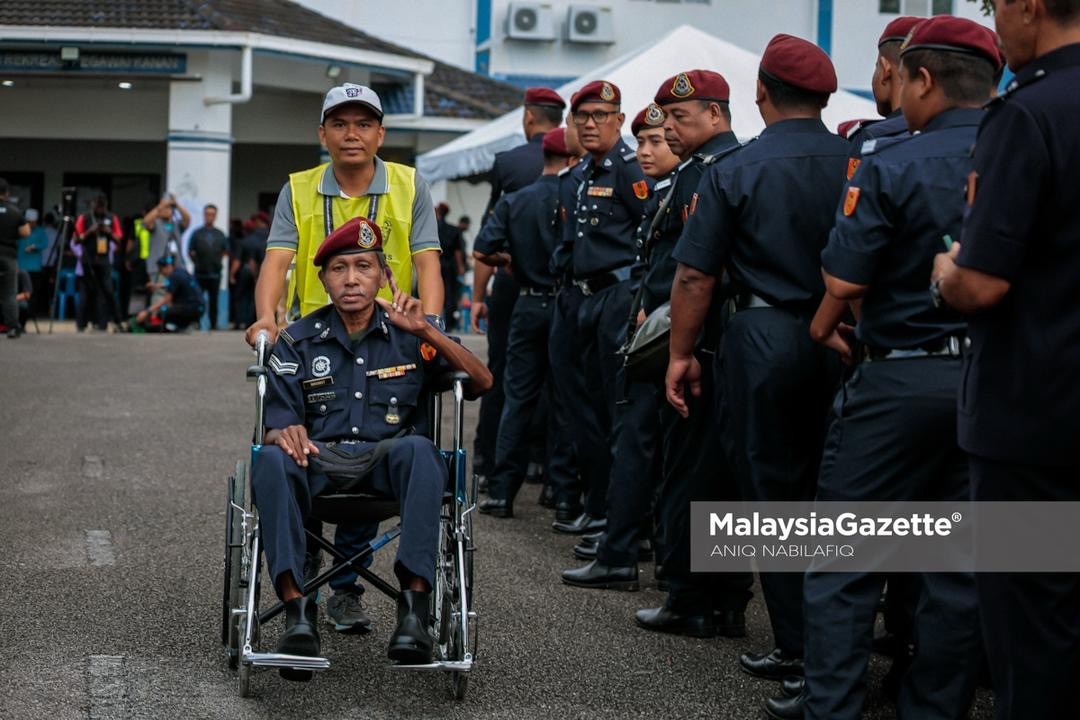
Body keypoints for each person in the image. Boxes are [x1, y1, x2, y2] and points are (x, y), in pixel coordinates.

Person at [794, 17, 1001, 720]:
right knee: (960, 568)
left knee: (845, 560)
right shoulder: (1021, 154)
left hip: (898, 377)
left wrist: (826, 322)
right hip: (992, 383)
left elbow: (845, 279)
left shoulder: (891, 160)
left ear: (921, 79)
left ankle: (834, 709)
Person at [666, 35, 848, 702]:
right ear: (825, 97)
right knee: (835, 497)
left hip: (761, 335)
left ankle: (801, 650)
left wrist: (682, 354)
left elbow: (694, 276)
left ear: (761, 93)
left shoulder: (735, 169)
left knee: (772, 495)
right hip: (843, 338)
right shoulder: (857, 159)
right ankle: (827, 646)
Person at [252, 216, 491, 678]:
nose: (352, 279)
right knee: (271, 459)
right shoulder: (296, 341)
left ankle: (414, 613)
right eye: (339, 269)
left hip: (387, 463)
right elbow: (275, 418)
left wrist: (428, 331)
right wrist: (280, 433)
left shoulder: (412, 333)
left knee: (422, 450)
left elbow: (481, 381)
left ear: (383, 274)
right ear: (323, 279)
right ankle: (297, 613)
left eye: (364, 266)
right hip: (318, 461)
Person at [246, 83, 444, 635]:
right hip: (313, 340)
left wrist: (429, 321)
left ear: (381, 133)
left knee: (378, 434)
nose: (351, 134)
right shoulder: (299, 187)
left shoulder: (409, 184)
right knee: (305, 443)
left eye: (363, 124)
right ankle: (303, 575)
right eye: (340, 123)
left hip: (390, 332)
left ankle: (347, 586)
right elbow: (278, 261)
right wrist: (267, 317)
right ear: (323, 135)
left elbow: (427, 262)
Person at [931, 1, 1080, 716]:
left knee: (1033, 637)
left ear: (1029, 6)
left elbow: (981, 280)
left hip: (1037, 421)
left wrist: (944, 270)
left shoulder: (1029, 113)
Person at [629, 71, 754, 636]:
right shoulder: (728, 165)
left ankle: (687, 596)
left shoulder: (711, 173)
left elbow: (697, 272)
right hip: (734, 338)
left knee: (690, 472)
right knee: (726, 474)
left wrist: (683, 346)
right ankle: (727, 598)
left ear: (715, 115)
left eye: (679, 117)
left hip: (701, 341)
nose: (669, 128)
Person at [559, 103, 678, 588]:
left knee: (631, 426)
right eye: (644, 141)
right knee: (605, 417)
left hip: (634, 304)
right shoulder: (588, 172)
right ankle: (622, 531)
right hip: (607, 300)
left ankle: (630, 542)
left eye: (657, 141)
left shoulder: (648, 177)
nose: (646, 151)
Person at [553, 80, 652, 537]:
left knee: (616, 412)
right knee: (588, 410)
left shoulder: (629, 169)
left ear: (617, 120)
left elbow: (648, 235)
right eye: (582, 117)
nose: (590, 124)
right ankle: (601, 506)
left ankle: (621, 519)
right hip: (586, 298)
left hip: (618, 297)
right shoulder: (586, 173)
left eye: (600, 116)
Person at [474, 128, 576, 517]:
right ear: (571, 160)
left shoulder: (515, 201)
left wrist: (511, 260)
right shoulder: (577, 197)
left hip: (528, 303)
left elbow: (483, 248)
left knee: (517, 397)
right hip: (566, 302)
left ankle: (502, 492)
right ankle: (561, 492)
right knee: (565, 398)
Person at [72, 194, 123, 332]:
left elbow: (119, 240)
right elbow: (76, 240)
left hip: (104, 260)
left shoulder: (112, 218)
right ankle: (81, 324)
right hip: (87, 260)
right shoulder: (84, 217)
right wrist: (90, 231)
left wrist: (109, 232)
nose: (100, 210)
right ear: (93, 205)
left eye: (102, 207)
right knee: (87, 292)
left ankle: (111, 321)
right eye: (97, 206)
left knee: (107, 290)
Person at [134, 254, 204, 332]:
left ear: (168, 267)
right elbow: (170, 284)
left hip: (191, 309)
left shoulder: (174, 276)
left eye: (161, 270)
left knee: (162, 312)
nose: (161, 273)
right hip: (198, 308)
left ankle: (182, 325)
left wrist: (146, 311)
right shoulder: (180, 271)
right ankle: (187, 324)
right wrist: (156, 286)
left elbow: (166, 300)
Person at [188, 203, 229, 330]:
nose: (209, 217)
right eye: (207, 214)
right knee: (198, 300)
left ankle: (213, 324)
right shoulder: (197, 233)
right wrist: (197, 262)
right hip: (200, 273)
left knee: (213, 301)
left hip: (215, 273)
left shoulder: (220, 234)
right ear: (204, 215)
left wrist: (216, 261)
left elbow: (225, 251)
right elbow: (190, 251)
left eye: (212, 214)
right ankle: (196, 323)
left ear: (215, 216)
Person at [0, 178, 30, 338]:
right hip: (8, 255)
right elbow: (25, 232)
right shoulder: (14, 211)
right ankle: (12, 327)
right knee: (9, 293)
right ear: (6, 193)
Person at [141, 192, 190, 273]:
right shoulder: (156, 224)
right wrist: (160, 206)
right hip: (157, 269)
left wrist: (176, 204)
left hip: (176, 268)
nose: (167, 210)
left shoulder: (176, 224)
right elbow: (146, 222)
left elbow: (187, 219)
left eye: (169, 208)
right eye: (165, 208)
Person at [435, 202, 465, 332]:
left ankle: (433, 319)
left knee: (433, 290)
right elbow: (458, 251)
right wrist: (460, 267)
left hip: (435, 262)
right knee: (450, 293)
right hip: (450, 264)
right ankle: (449, 323)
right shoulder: (454, 230)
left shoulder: (432, 228)